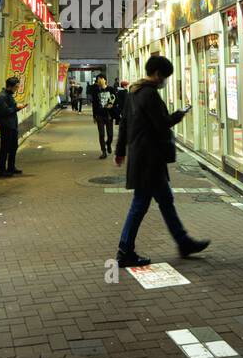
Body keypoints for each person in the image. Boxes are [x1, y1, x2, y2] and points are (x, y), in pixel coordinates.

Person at [114, 56, 210, 267]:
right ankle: (124, 250)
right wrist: (180, 114)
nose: (165, 81)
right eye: (165, 76)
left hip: (143, 158)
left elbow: (124, 124)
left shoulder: (134, 92)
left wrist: (120, 151)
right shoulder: (149, 95)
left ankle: (183, 242)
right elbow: (162, 123)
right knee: (140, 205)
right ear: (157, 73)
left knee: (165, 201)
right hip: (149, 160)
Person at [0, 76, 23, 177]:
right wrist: (16, 107)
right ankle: (2, 170)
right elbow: (4, 112)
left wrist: (16, 108)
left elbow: (9, 109)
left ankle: (11, 167)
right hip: (6, 126)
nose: (17, 89)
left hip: (12, 125)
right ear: (10, 86)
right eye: (16, 87)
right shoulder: (2, 97)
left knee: (13, 147)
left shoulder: (8, 95)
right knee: (5, 148)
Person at [89, 74, 118, 158]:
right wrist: (94, 116)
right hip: (99, 115)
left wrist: (112, 105)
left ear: (104, 80)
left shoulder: (111, 89)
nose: (98, 81)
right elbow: (94, 104)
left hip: (109, 115)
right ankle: (103, 151)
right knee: (101, 134)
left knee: (110, 135)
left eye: (99, 79)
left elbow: (116, 100)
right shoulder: (96, 91)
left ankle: (108, 144)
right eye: (97, 80)